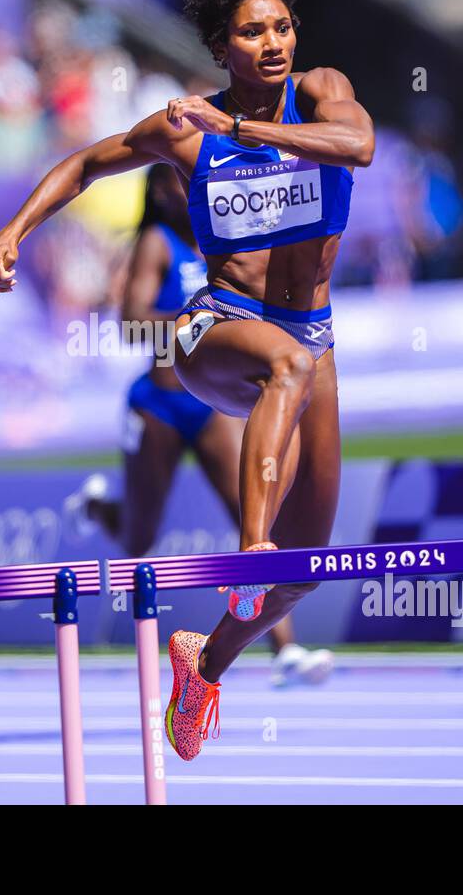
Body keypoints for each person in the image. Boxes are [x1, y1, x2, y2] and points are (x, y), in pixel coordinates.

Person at [0, 0, 373, 760]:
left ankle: (205, 663)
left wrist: (243, 128)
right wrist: (11, 234)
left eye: (283, 26)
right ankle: (249, 547)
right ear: (221, 48)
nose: (273, 42)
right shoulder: (186, 131)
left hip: (312, 337)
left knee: (308, 568)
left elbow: (357, 146)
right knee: (281, 386)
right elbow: (87, 163)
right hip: (212, 328)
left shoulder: (323, 91)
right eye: (252, 31)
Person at [63, 164, 335, 687]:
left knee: (254, 512)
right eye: (178, 184)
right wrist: (198, 323)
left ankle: (285, 648)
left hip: (209, 406)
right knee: (139, 534)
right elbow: (131, 320)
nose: (191, 193)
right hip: (158, 405)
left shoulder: (217, 246)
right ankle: (97, 507)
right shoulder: (156, 242)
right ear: (162, 193)